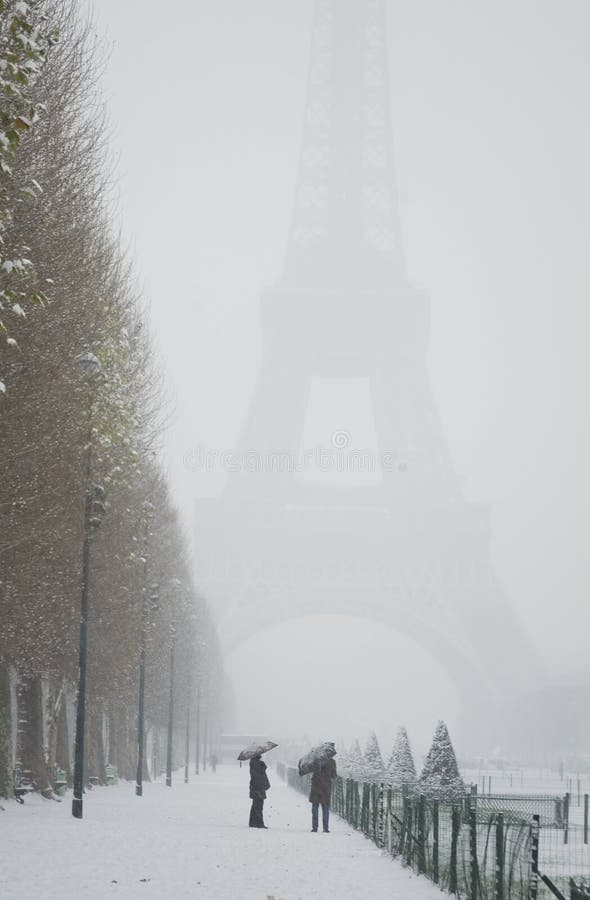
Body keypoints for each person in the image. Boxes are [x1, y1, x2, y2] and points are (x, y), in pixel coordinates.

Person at [309, 753, 337, 833]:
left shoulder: (316, 761)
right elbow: (334, 776)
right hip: (326, 788)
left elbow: (311, 770)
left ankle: (314, 828)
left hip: (316, 788)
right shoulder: (332, 762)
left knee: (315, 808)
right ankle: (325, 828)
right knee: (325, 809)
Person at [249, 754, 270, 828]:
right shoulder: (256, 764)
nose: (261, 755)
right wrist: (263, 766)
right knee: (258, 806)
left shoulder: (254, 763)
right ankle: (259, 823)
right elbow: (259, 775)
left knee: (255, 806)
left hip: (256, 787)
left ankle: (252, 822)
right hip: (258, 788)